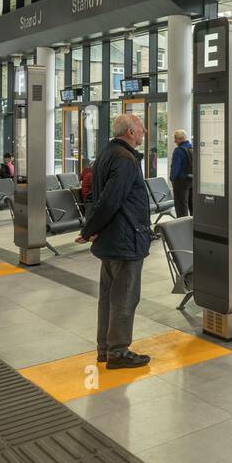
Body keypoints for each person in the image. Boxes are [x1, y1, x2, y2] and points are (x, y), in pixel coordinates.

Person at [76, 113, 152, 369]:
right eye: (141, 129)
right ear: (130, 132)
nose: (144, 133)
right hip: (125, 238)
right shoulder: (125, 159)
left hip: (111, 238)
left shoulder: (106, 154)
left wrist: (93, 229)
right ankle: (118, 351)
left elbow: (99, 198)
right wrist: (89, 230)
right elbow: (110, 200)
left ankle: (105, 348)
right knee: (124, 297)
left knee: (108, 296)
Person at [169, 129, 194, 218]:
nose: (174, 141)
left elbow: (175, 167)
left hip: (181, 181)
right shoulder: (192, 147)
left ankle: (182, 226)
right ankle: (193, 225)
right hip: (192, 180)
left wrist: (172, 179)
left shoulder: (178, 150)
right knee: (192, 204)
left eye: (175, 139)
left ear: (180, 139)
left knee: (181, 206)